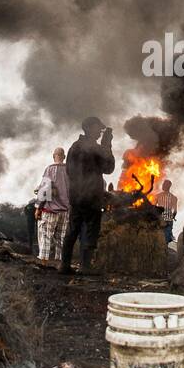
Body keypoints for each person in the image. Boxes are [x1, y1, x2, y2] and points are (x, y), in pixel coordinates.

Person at [61, 117, 115, 275]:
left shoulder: (74, 147)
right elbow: (109, 167)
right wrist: (107, 144)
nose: (100, 132)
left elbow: (69, 171)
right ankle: (85, 267)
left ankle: (64, 266)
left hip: (76, 195)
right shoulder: (96, 148)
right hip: (91, 197)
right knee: (91, 230)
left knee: (73, 229)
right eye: (99, 128)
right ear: (90, 128)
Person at [36, 148, 70, 262]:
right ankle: (60, 263)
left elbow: (44, 190)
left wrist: (38, 208)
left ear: (53, 156)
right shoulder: (70, 170)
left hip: (50, 210)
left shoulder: (50, 169)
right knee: (61, 238)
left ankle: (43, 262)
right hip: (65, 211)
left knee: (45, 236)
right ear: (64, 157)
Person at [154, 179, 179, 245]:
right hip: (168, 220)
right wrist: (173, 216)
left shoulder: (158, 196)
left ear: (167, 186)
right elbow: (175, 211)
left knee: (159, 238)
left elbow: (154, 207)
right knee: (166, 239)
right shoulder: (174, 197)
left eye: (163, 184)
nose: (162, 185)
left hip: (160, 220)